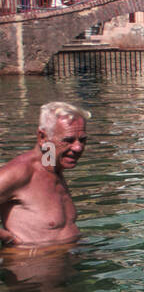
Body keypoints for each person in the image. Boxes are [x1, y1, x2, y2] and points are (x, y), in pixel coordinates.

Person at [0, 102, 90, 247]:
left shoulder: (54, 167)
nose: (78, 147)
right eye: (68, 140)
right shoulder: (20, 172)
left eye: (83, 140)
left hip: (68, 260)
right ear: (43, 138)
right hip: (33, 264)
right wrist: (8, 238)